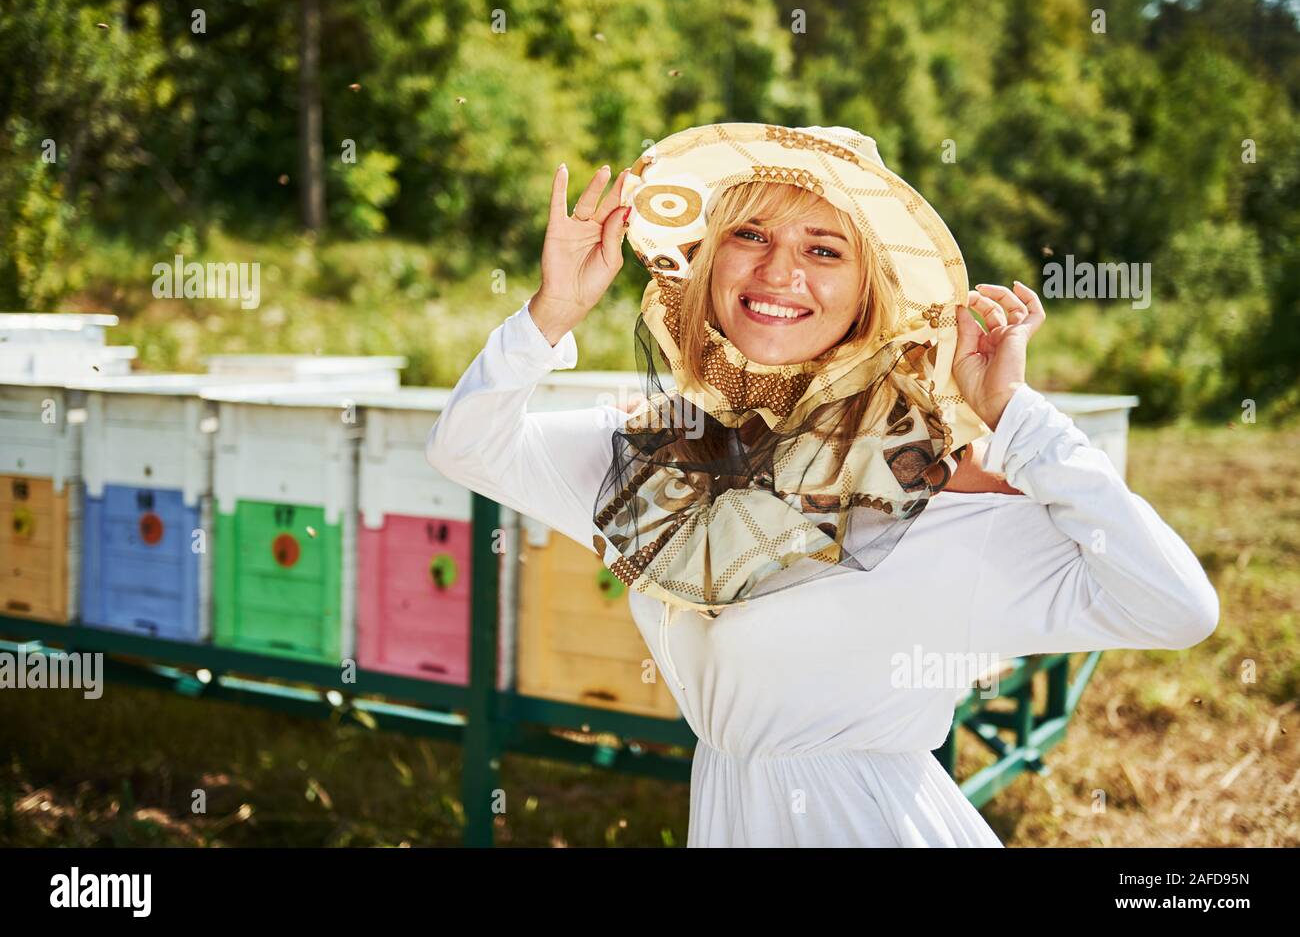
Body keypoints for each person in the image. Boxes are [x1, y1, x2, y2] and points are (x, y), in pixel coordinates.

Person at [426, 123, 1219, 847]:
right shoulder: (663, 453)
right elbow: (468, 447)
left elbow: (1177, 606)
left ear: (869, 295)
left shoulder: (923, 482)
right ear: (707, 263)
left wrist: (1016, 415)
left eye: (824, 249)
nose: (779, 270)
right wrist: (551, 313)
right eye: (749, 233)